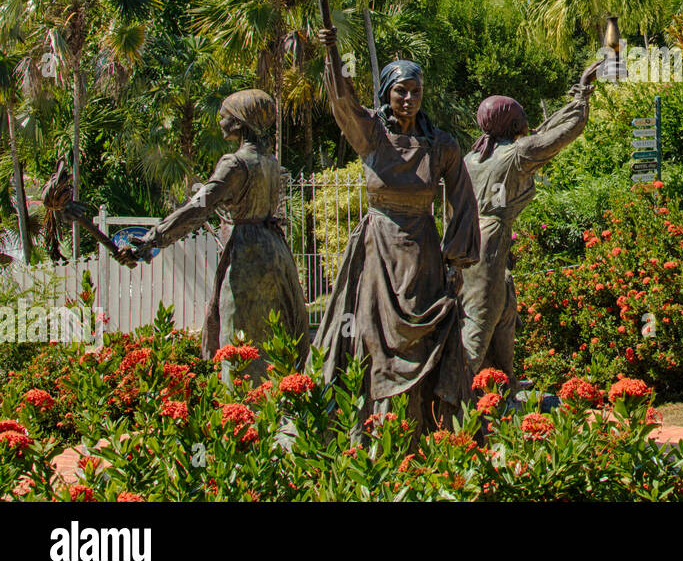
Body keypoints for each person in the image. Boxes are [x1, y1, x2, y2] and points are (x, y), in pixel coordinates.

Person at [313, 27, 480, 435]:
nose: (408, 99)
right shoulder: (372, 135)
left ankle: (422, 430)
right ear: (387, 93)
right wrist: (332, 52)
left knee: (423, 341)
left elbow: (462, 199)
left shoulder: (441, 145)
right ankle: (372, 429)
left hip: (421, 254)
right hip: (378, 252)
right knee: (371, 337)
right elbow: (341, 102)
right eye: (400, 91)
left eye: (416, 92)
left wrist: (455, 260)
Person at [119, 89, 309, 384]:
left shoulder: (236, 164)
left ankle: (245, 412)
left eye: (225, 115)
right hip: (276, 253)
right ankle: (277, 406)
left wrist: (154, 238)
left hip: (248, 258)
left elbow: (198, 208)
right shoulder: (269, 161)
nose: (220, 121)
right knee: (274, 334)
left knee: (240, 338)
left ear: (241, 120)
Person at [461, 61, 601, 391]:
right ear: (510, 121)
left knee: (505, 304)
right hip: (490, 243)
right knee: (481, 316)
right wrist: (582, 91)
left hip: (468, 240)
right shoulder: (517, 153)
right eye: (519, 114)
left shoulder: (475, 157)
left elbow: (540, 132)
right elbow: (564, 133)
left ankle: (504, 379)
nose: (525, 119)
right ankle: (460, 389)